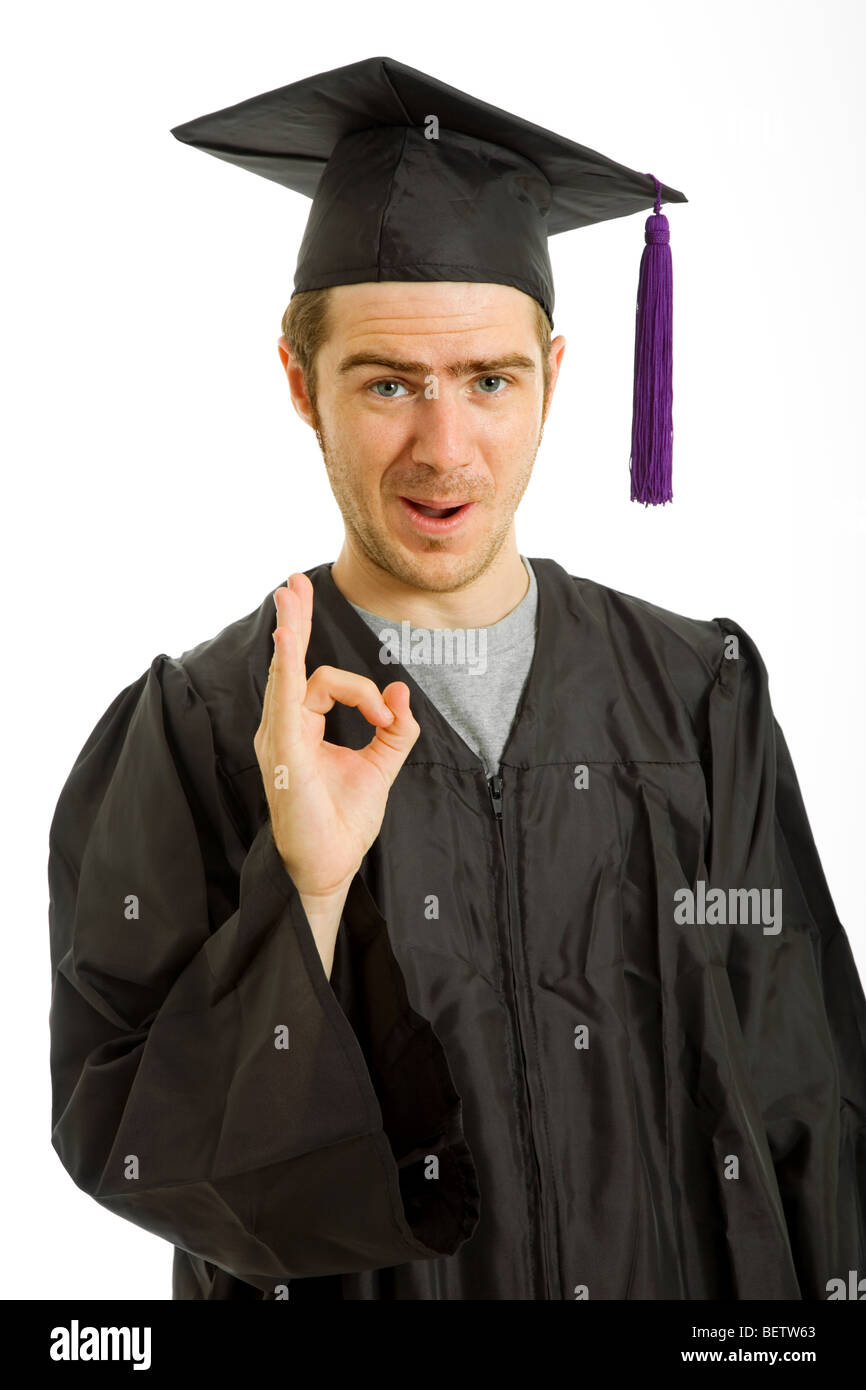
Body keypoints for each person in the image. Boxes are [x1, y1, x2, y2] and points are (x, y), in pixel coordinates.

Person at [48, 56, 866, 1301]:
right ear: (297, 385)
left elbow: (811, 1099)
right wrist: (307, 897)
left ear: (553, 374)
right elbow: (146, 1152)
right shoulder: (205, 727)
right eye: (387, 384)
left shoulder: (697, 697)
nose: (445, 450)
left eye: (490, 380)